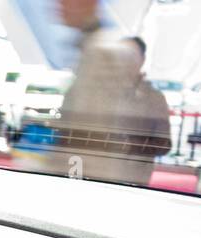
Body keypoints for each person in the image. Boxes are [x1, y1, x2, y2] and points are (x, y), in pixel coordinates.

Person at [47, 1, 172, 187]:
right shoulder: (94, 70)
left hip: (125, 179)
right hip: (86, 174)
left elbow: (163, 143)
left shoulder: (151, 97)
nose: (58, 7)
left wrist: (129, 144)